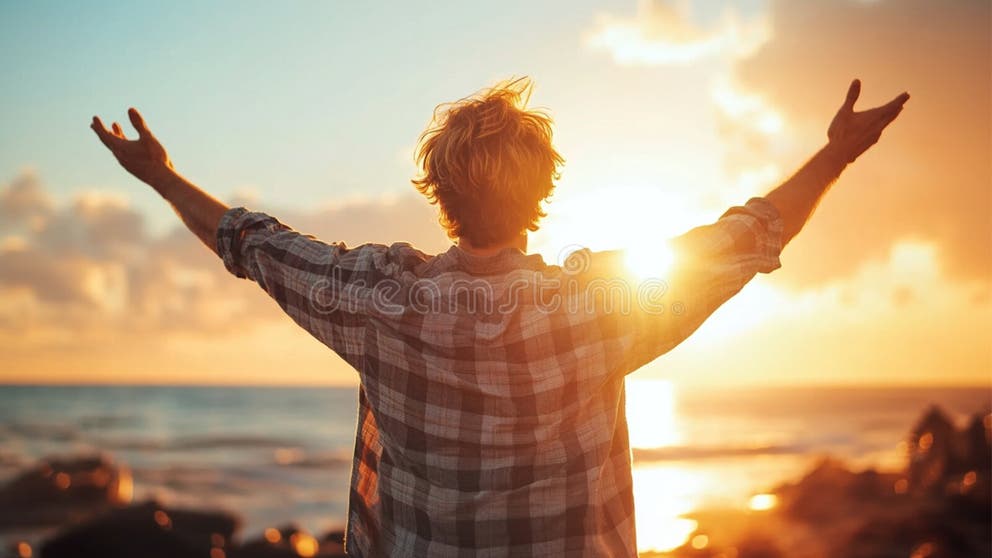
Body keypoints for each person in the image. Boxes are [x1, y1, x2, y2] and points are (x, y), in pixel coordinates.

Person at [91, 77, 908, 557]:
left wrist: (162, 179)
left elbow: (252, 243)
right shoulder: (600, 308)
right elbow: (745, 238)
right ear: (543, 191)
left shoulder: (378, 301)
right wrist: (835, 155)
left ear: (439, 196)